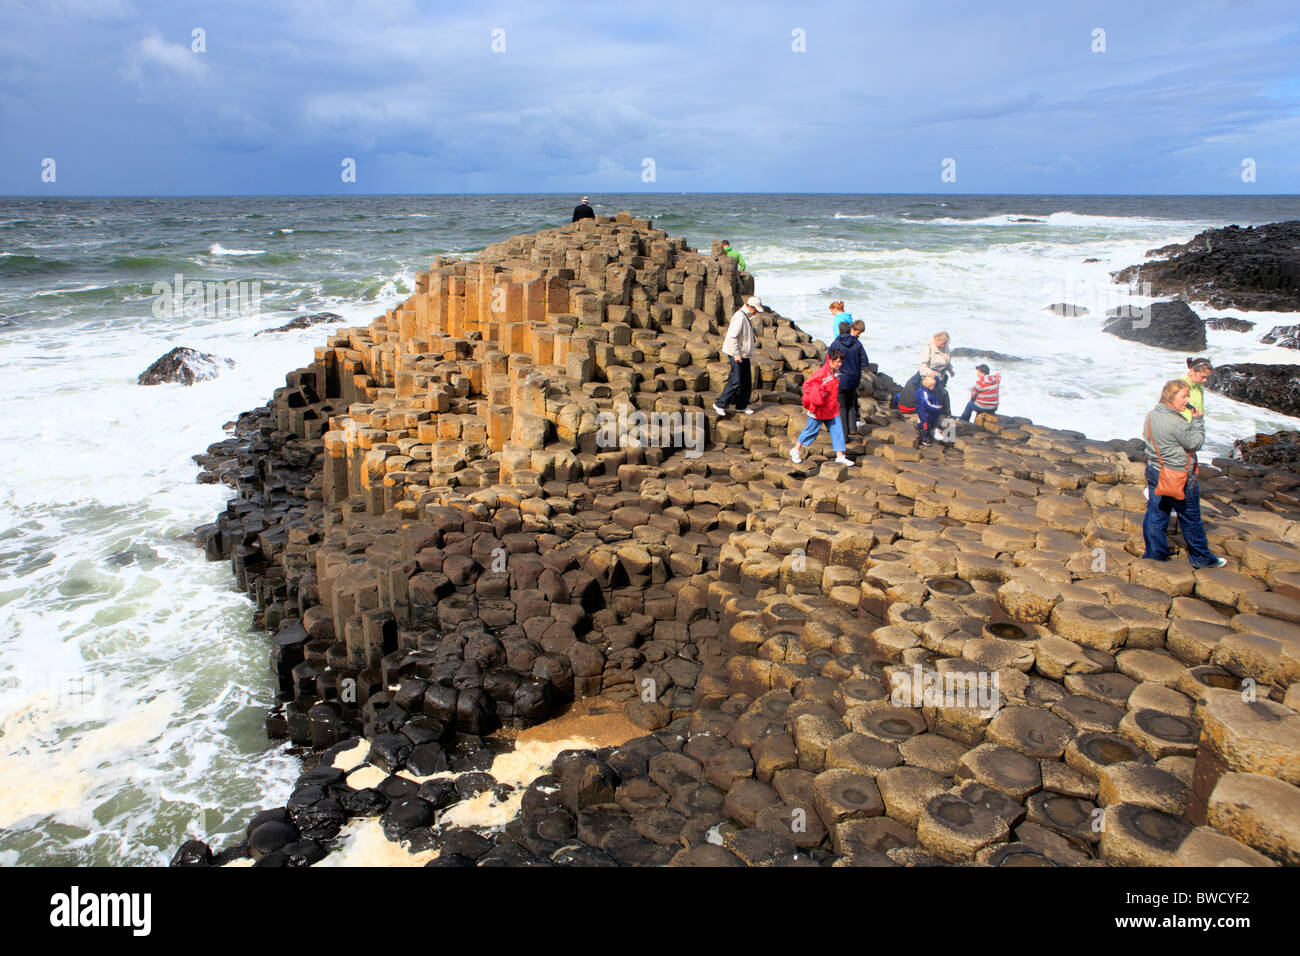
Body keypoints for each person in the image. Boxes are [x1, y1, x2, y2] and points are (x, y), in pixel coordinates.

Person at [1141, 379, 1226, 569]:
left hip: (1155, 469)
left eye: (1188, 395)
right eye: (1184, 396)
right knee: (1190, 518)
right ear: (1171, 398)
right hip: (1178, 475)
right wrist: (1197, 421)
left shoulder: (1151, 415)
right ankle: (1202, 559)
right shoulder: (1177, 423)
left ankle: (1155, 554)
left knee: (1156, 513)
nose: (1187, 400)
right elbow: (1195, 443)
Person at [792, 348, 852, 465]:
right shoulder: (822, 373)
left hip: (832, 408)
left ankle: (840, 456)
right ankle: (795, 450)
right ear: (832, 360)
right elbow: (807, 385)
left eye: (841, 362)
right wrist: (820, 392)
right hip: (819, 409)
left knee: (838, 430)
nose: (840, 364)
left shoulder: (835, 372)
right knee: (811, 431)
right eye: (838, 362)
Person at [714, 296, 763, 417]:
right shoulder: (739, 317)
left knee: (746, 381)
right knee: (735, 380)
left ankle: (741, 406)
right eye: (756, 309)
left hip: (744, 354)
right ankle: (720, 404)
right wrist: (736, 354)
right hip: (737, 354)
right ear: (750, 307)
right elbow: (732, 337)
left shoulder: (747, 317)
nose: (757, 312)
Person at [831, 311, 868, 439]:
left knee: (841, 406)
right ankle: (852, 428)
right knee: (851, 402)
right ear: (850, 329)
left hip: (841, 378)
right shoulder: (857, 344)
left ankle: (844, 435)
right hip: (854, 378)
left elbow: (828, 361)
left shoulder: (836, 343)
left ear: (840, 331)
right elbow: (865, 362)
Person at [913, 374, 944, 448]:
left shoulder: (930, 391)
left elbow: (937, 381)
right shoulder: (924, 393)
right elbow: (927, 404)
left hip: (930, 411)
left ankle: (919, 426)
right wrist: (937, 407)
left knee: (931, 422)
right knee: (926, 425)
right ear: (928, 386)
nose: (934, 387)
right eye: (932, 385)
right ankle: (923, 440)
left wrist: (935, 376)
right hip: (924, 412)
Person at [1179, 357, 1213, 422]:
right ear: (1192, 371)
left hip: (1196, 425)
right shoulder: (1180, 385)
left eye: (1207, 377)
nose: (1205, 380)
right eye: (1203, 377)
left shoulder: (1199, 386)